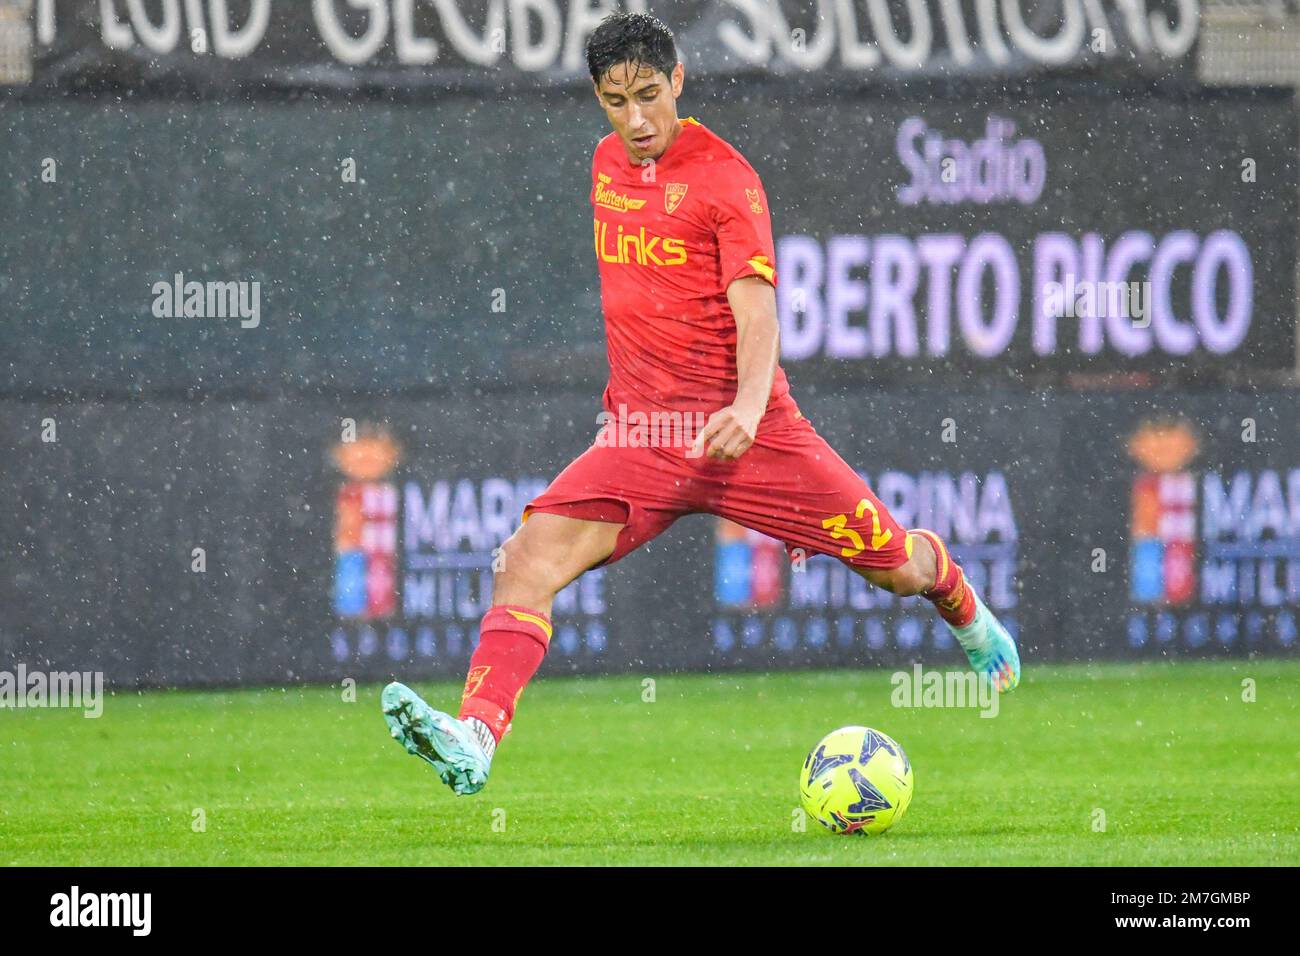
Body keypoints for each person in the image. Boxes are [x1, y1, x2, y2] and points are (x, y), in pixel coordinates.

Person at [383, 12, 1020, 795]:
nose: (637, 118)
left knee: (896, 571)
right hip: (645, 439)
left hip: (752, 436)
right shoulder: (605, 163)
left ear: (678, 78)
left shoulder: (726, 178)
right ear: (598, 97)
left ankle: (956, 595)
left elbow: (757, 312)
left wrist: (749, 408)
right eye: (616, 101)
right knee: (524, 561)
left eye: (650, 94)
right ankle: (475, 736)